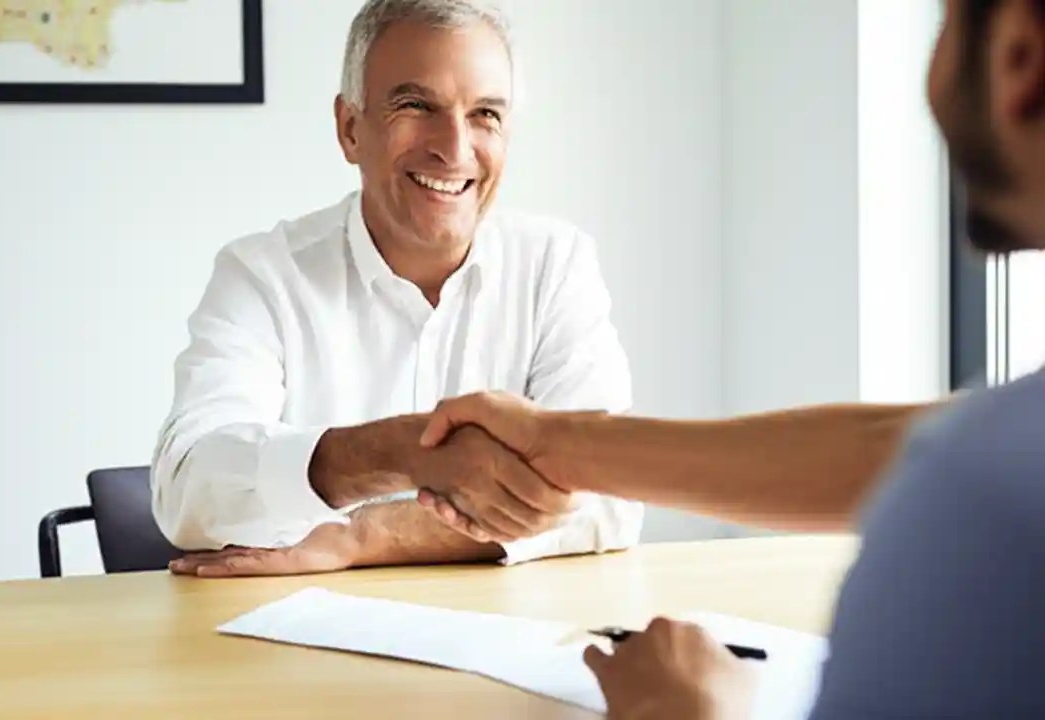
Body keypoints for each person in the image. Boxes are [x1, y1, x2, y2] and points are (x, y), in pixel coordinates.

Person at [419, 0, 1045, 716]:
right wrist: (564, 445)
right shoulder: (993, 455)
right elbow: (910, 445)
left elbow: (951, 459)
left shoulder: (986, 514)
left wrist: (692, 709)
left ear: (1018, 54)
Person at [149, 0, 644, 579]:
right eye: (416, 105)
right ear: (350, 128)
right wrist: (400, 452)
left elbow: (607, 500)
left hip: (498, 639)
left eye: (485, 114)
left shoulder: (556, 264)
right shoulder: (261, 274)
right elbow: (189, 492)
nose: (454, 149)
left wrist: (364, 536)